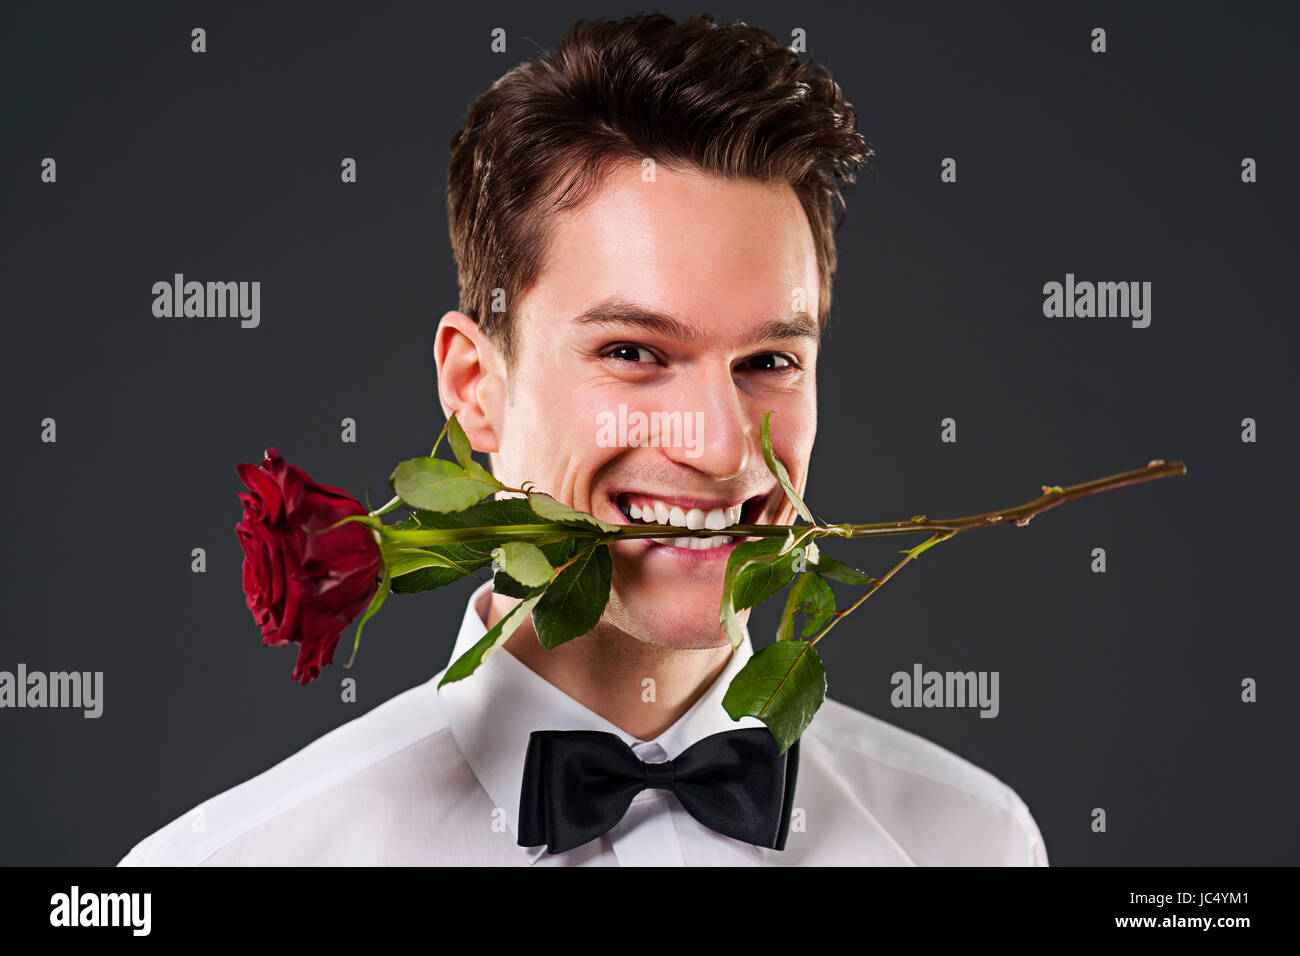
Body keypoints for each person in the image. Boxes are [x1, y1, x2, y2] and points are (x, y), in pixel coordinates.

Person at [119, 11, 1048, 866]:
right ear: (476, 389)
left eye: (769, 361)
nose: (723, 450)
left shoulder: (976, 841)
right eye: (635, 350)